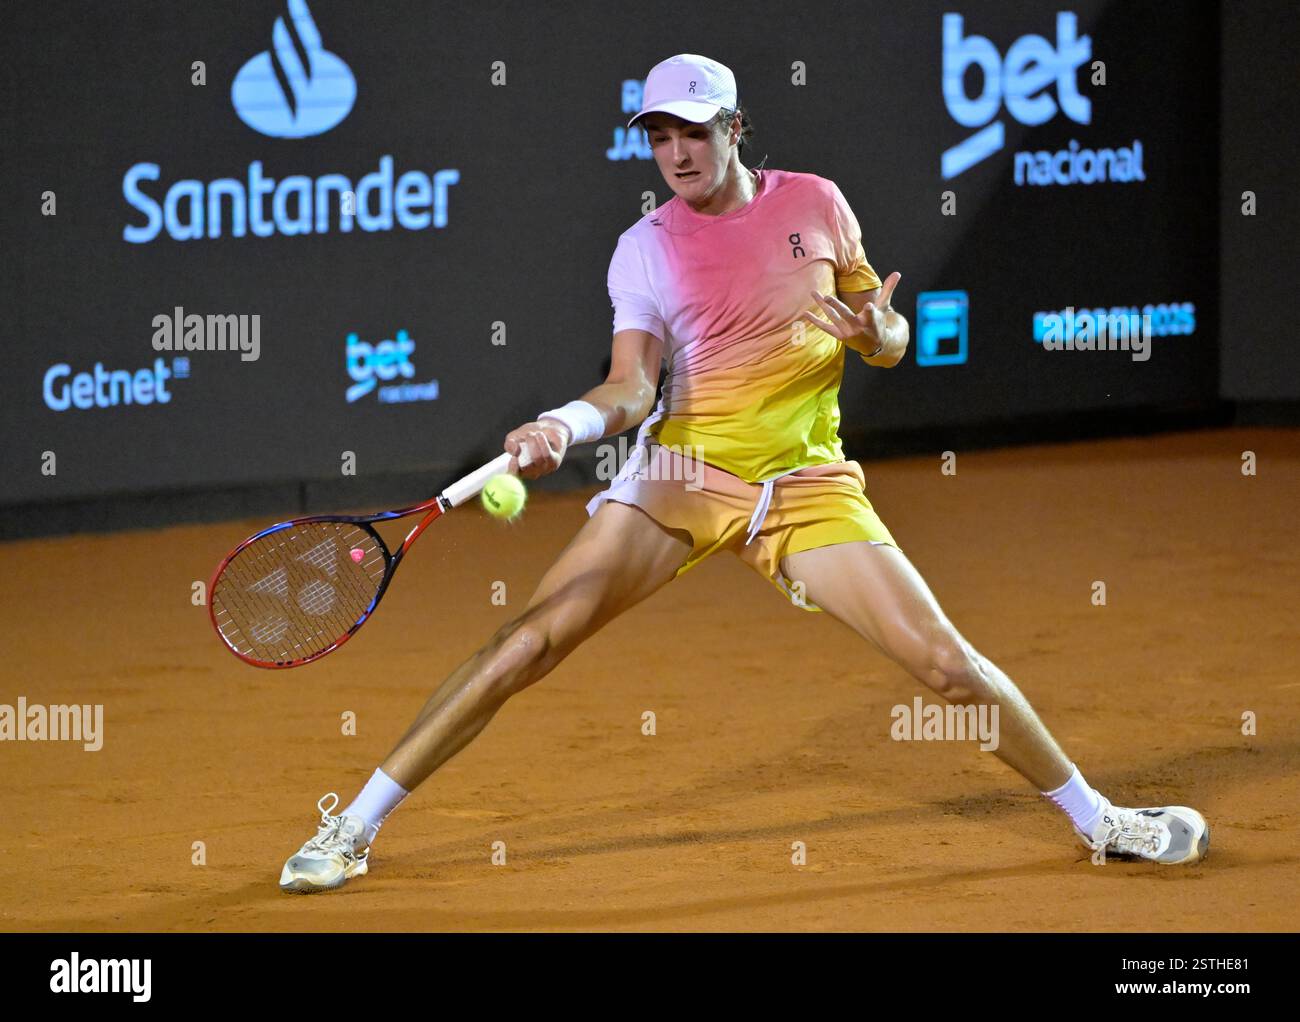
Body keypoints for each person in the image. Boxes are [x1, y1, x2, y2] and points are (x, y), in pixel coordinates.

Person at [279, 54, 1209, 893]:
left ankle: (1104, 821)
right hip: (683, 472)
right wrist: (565, 426)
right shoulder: (645, 247)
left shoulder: (816, 203)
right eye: (660, 136)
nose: (677, 153)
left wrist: (877, 333)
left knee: (945, 666)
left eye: (694, 130)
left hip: (805, 482)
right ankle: (354, 826)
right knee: (528, 643)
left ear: (735, 128)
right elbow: (631, 388)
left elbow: (886, 338)